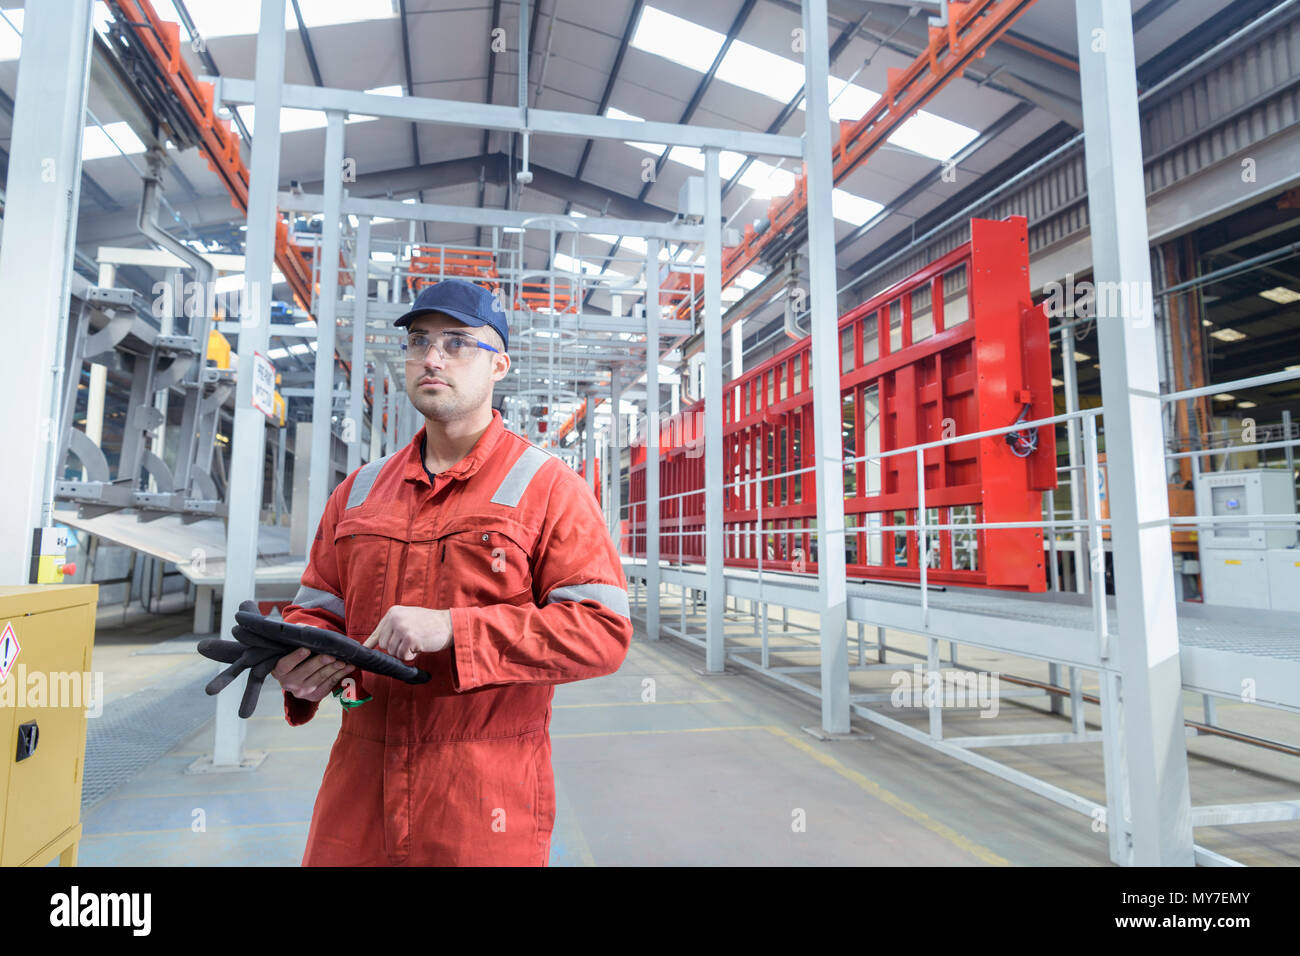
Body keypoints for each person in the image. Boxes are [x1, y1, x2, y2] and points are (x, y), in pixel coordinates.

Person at [271, 277, 632, 866]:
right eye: (419, 341)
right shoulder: (358, 491)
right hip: (358, 787)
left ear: (500, 366)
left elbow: (601, 633)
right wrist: (298, 663)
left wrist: (454, 630)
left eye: (458, 342)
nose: (432, 358)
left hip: (481, 798)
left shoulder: (549, 488)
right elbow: (319, 609)